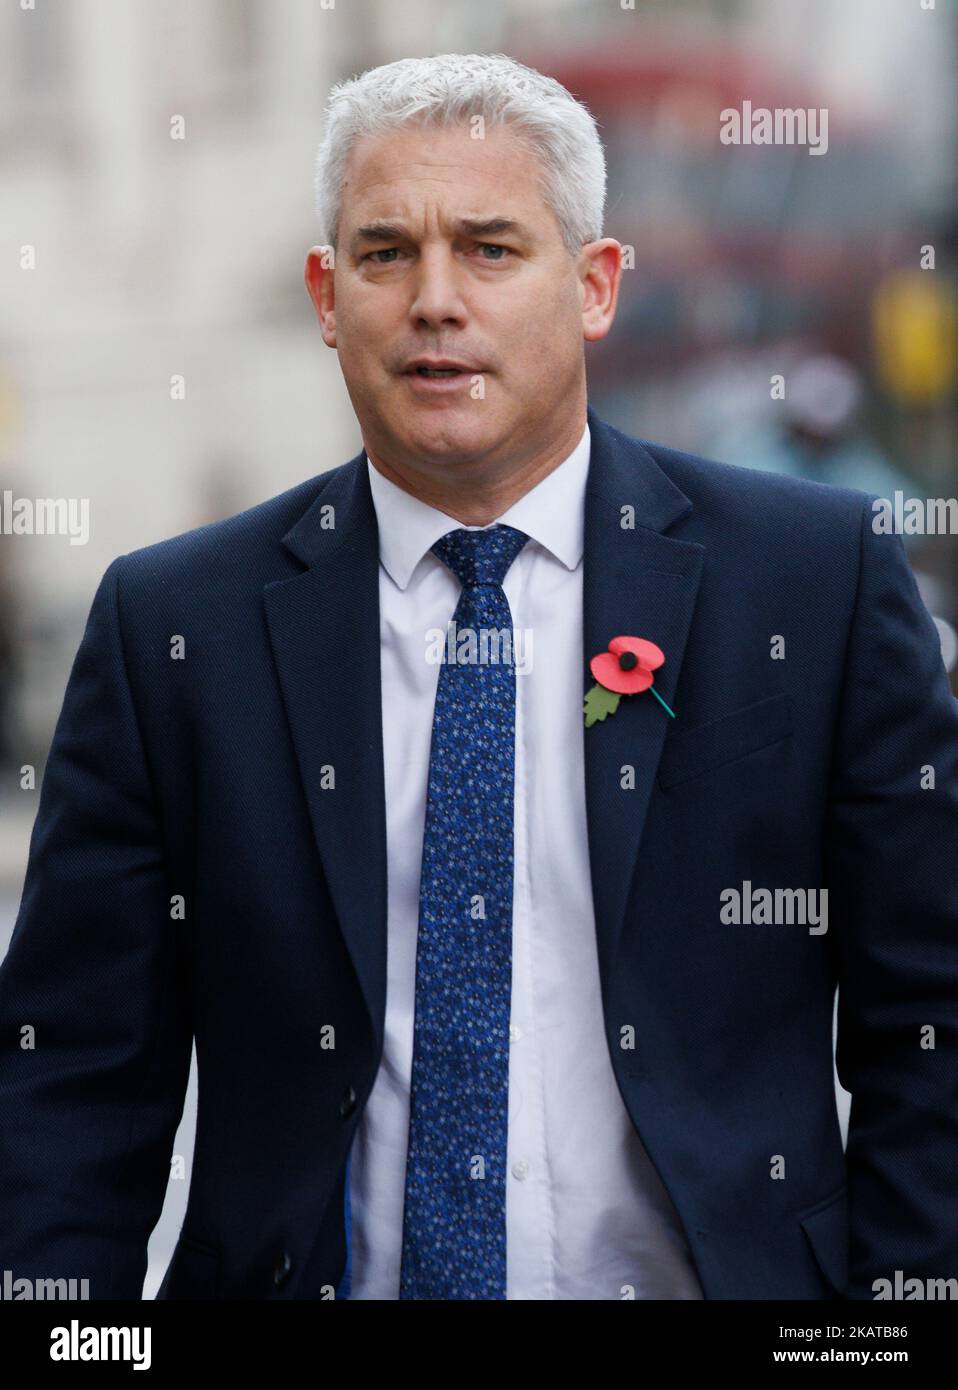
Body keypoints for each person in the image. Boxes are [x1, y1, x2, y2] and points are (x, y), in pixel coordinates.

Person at [1, 52, 956, 1302]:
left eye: (492, 249)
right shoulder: (177, 623)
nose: (433, 299)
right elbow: (72, 1078)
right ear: (326, 293)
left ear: (596, 285)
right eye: (385, 252)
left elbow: (929, 1022)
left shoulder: (811, 583)